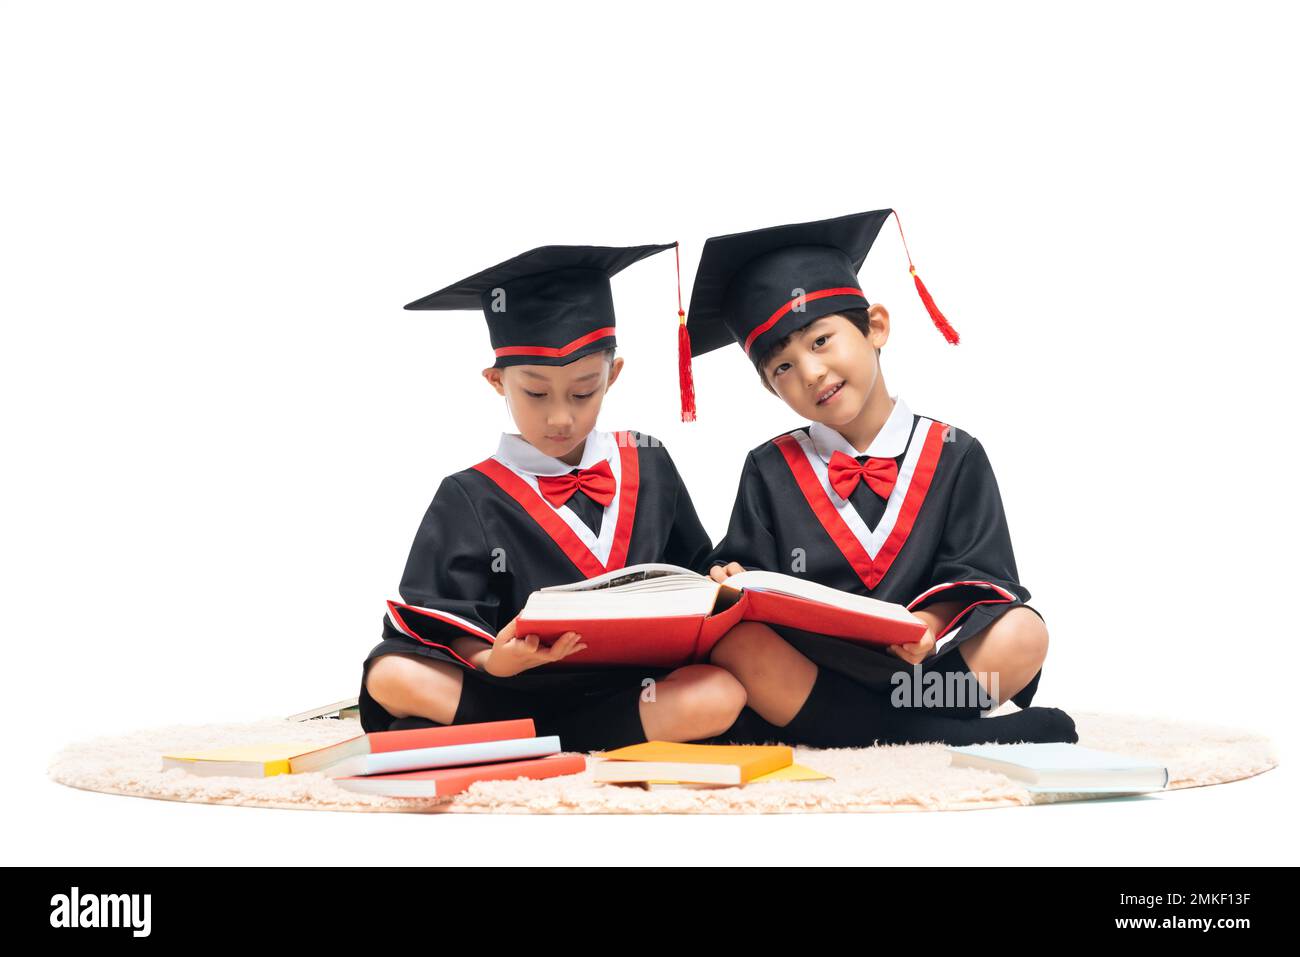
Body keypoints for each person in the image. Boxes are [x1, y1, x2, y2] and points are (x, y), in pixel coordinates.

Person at [684, 210, 1077, 748]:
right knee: (738, 648)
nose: (810, 373)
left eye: (820, 341)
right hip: (817, 675)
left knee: (1023, 633)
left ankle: (864, 730)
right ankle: (944, 737)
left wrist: (930, 626)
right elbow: (750, 574)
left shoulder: (956, 454)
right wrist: (728, 576)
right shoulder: (768, 467)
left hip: (924, 678)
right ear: (770, 389)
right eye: (782, 368)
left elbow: (982, 576)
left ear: (875, 327)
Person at [359, 243, 746, 751]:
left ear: (614, 373)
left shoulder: (648, 462)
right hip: (513, 690)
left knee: (720, 694)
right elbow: (441, 618)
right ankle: (561, 736)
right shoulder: (470, 494)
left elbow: (695, 566)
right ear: (497, 381)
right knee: (390, 674)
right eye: (536, 394)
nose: (561, 418)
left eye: (584, 391)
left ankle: (517, 740)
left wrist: (724, 579)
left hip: (635, 689)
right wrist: (492, 659)